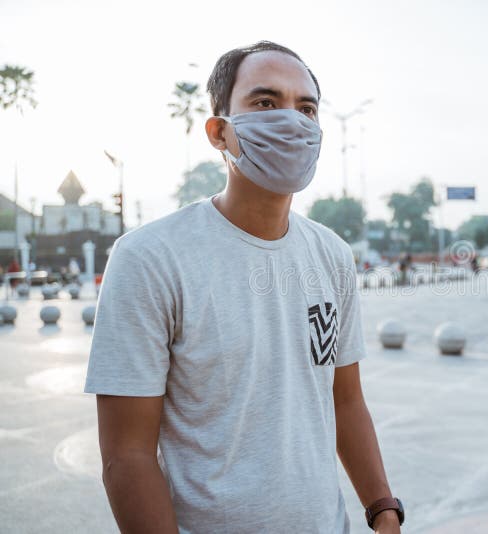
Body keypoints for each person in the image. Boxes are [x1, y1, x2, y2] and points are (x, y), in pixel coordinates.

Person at [84, 41, 402, 534]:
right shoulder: (150, 258)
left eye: (307, 108)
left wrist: (382, 508)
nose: (292, 121)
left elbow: (344, 400)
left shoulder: (332, 255)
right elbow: (127, 456)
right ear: (219, 132)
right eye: (265, 103)